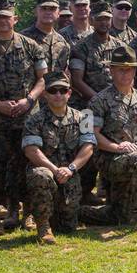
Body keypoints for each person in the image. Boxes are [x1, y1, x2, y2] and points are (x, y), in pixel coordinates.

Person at [0, 0, 46, 234]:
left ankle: (25, 213)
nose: (3, 21)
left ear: (15, 19)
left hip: (26, 118)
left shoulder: (31, 46)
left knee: (25, 165)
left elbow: (42, 79)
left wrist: (29, 100)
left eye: (7, 17)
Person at [83, 44, 137, 231]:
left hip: (135, 154)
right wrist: (117, 148)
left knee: (120, 216)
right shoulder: (97, 100)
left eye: (129, 70)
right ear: (111, 70)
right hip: (109, 158)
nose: (125, 74)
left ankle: (77, 212)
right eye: (120, 70)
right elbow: (90, 134)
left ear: (135, 71)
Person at [21, 72, 96, 244]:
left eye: (63, 90)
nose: (58, 95)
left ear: (69, 93)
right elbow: (31, 151)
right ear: (45, 94)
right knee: (40, 174)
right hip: (48, 175)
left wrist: (70, 169)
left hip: (70, 176)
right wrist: (55, 170)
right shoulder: (34, 119)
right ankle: (43, 227)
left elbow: (88, 148)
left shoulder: (85, 117)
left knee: (67, 227)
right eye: (53, 90)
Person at [69, 0, 119, 102]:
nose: (103, 22)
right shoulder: (81, 47)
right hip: (91, 102)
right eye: (99, 19)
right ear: (91, 21)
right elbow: (77, 80)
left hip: (116, 100)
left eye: (107, 19)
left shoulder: (120, 47)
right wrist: (99, 101)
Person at [20, 0, 71, 75]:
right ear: (35, 11)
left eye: (52, 9)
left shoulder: (63, 43)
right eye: (44, 8)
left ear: (58, 13)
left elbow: (65, 73)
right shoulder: (23, 39)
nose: (48, 12)